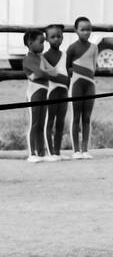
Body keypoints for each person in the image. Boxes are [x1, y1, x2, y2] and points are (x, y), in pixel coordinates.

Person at [66, 16, 97, 158]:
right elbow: (67, 67)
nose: (86, 32)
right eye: (82, 29)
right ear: (75, 31)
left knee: (87, 117)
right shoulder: (72, 48)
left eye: (88, 29)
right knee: (76, 116)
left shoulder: (94, 47)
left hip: (90, 85)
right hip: (76, 84)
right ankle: (76, 150)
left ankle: (85, 149)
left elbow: (94, 66)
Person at [22, 29, 50, 162]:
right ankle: (32, 153)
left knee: (41, 123)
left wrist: (45, 72)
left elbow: (49, 71)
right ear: (30, 42)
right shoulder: (28, 59)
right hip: (34, 92)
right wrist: (46, 72)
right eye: (40, 42)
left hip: (44, 91)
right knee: (34, 123)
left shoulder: (41, 58)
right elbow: (42, 73)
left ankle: (41, 153)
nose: (43, 45)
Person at [43, 24, 69, 160]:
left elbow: (68, 72)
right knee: (50, 121)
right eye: (52, 37)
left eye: (59, 36)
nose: (56, 39)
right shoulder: (45, 56)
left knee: (60, 122)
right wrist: (65, 79)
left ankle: (57, 152)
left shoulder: (64, 55)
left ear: (63, 37)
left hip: (64, 92)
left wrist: (67, 81)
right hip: (51, 91)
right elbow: (49, 74)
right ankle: (50, 152)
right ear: (46, 39)